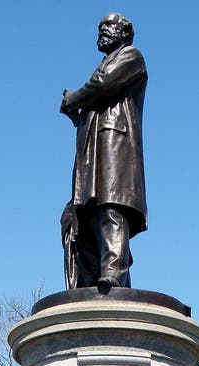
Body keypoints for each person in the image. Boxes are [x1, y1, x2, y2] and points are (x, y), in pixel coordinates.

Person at [60, 13, 147, 289]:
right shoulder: (105, 63)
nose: (102, 31)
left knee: (112, 206)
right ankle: (92, 278)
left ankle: (113, 271)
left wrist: (73, 99)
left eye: (108, 25)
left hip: (114, 146)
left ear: (125, 32)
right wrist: (77, 112)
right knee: (85, 215)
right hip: (92, 152)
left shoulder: (131, 57)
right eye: (100, 27)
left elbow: (103, 83)